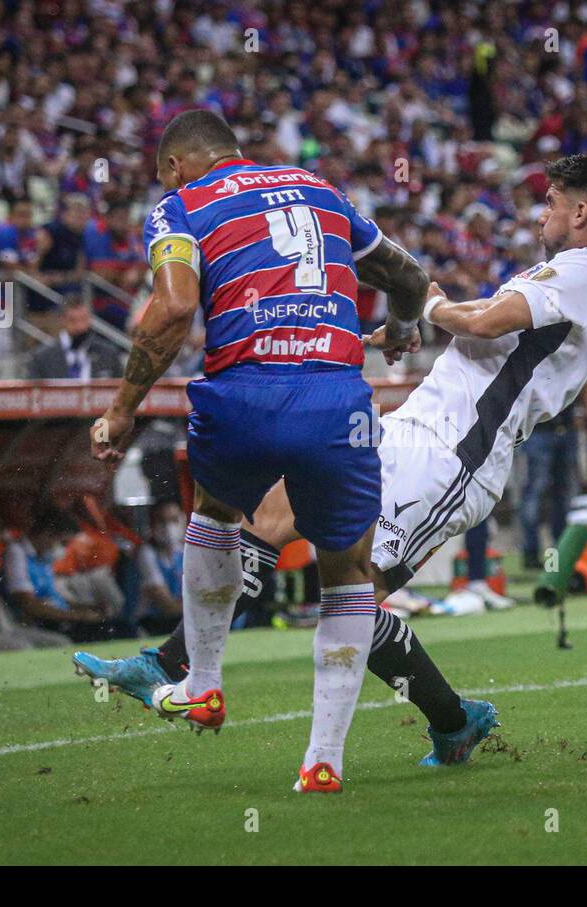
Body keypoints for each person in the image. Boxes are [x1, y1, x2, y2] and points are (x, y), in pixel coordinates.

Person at [81, 151, 587, 774]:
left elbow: (483, 321)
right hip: (410, 431)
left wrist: (428, 306)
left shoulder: (585, 272)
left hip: (453, 458)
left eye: (553, 202)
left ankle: (454, 721)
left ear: (582, 212)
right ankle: (170, 663)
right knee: (271, 515)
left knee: (353, 593)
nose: (544, 214)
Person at [88, 110, 423, 793]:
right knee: (348, 574)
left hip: (242, 395)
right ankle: (323, 762)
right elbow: (407, 274)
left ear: (176, 165)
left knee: (216, 511)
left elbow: (175, 309)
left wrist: (122, 407)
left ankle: (203, 683)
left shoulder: (179, 206)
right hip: (337, 399)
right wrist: (405, 325)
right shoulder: (324, 192)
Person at [3, 508, 121, 643]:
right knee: (106, 632)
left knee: (119, 626)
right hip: (42, 622)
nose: (57, 547)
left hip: (61, 617)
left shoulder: (44, 556)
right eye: (59, 541)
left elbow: (57, 599)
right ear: (46, 534)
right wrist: (78, 616)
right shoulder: (17, 553)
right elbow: (28, 604)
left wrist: (87, 607)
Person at [519, 403, 579, 570]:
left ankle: (557, 557)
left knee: (562, 496)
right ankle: (531, 553)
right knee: (535, 495)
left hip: (565, 428)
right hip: (537, 430)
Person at [26, 297, 124, 380]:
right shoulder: (42, 358)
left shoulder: (108, 354)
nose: (79, 327)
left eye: (83, 320)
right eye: (73, 321)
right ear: (62, 320)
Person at [134, 500, 186, 636]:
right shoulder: (146, 553)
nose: (169, 527)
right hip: (152, 624)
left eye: (174, 520)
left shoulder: (183, 552)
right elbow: (166, 606)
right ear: (153, 525)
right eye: (162, 521)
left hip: (180, 619)